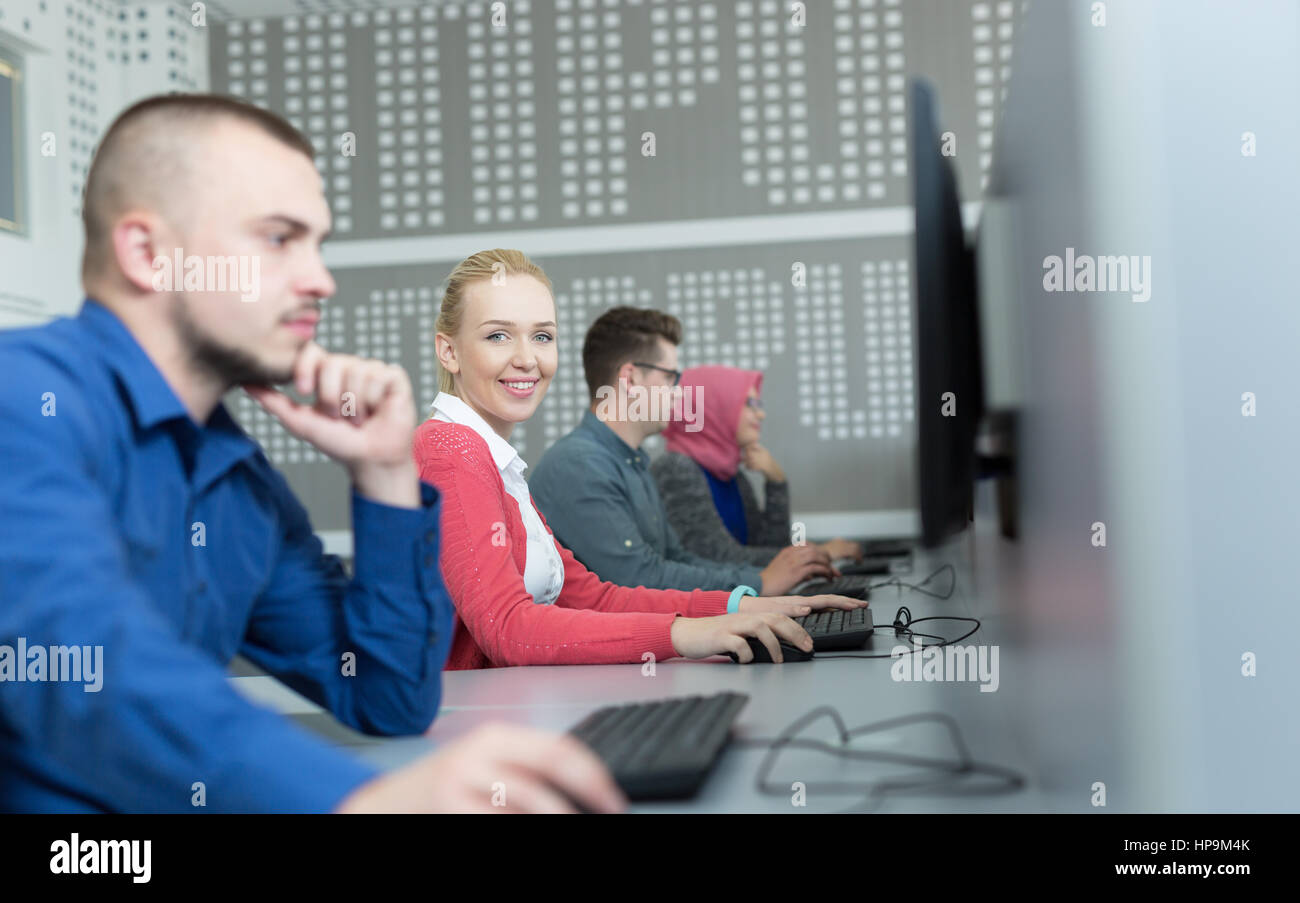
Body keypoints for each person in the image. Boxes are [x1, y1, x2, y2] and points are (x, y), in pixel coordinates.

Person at [0, 94, 622, 814]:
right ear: (148, 254)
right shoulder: (23, 399)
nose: (320, 279)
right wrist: (363, 798)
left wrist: (387, 475)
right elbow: (88, 673)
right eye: (278, 239)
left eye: (317, 243)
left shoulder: (235, 480)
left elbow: (387, 695)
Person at [412, 250, 867, 668]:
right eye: (498, 335)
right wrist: (682, 633)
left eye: (543, 336)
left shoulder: (498, 464)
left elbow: (594, 597)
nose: (528, 358)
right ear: (448, 351)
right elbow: (508, 630)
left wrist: (743, 605)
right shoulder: (452, 451)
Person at [529, 307, 836, 594]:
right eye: (670, 378)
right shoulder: (580, 465)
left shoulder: (631, 462)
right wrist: (758, 583)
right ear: (631, 379)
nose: (678, 395)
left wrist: (760, 582)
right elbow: (639, 579)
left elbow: (677, 558)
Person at [651, 365, 863, 567]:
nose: (761, 414)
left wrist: (776, 481)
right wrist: (818, 554)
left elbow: (768, 549)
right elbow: (718, 558)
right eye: (749, 404)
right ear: (716, 407)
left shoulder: (730, 475)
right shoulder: (676, 469)